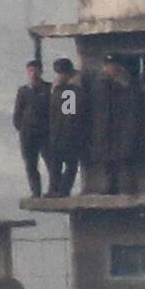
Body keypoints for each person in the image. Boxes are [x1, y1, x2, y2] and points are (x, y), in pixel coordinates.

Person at [88, 54, 145, 194]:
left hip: (121, 127)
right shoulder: (99, 84)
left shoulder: (128, 85)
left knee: (125, 159)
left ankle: (129, 188)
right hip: (105, 127)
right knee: (108, 160)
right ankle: (111, 186)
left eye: (112, 65)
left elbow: (134, 106)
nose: (108, 69)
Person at [47, 57, 88, 196]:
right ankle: (55, 189)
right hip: (60, 132)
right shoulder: (64, 89)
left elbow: (68, 115)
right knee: (56, 164)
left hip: (67, 134)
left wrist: (63, 132)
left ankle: (61, 190)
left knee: (68, 164)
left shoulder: (69, 91)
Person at [12, 60, 51, 197]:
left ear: (41, 72)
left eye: (35, 71)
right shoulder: (23, 91)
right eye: (30, 71)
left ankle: (54, 189)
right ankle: (36, 192)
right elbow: (18, 112)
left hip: (45, 133)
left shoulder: (49, 88)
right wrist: (21, 128)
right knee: (30, 164)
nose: (33, 74)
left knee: (50, 161)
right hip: (28, 133)